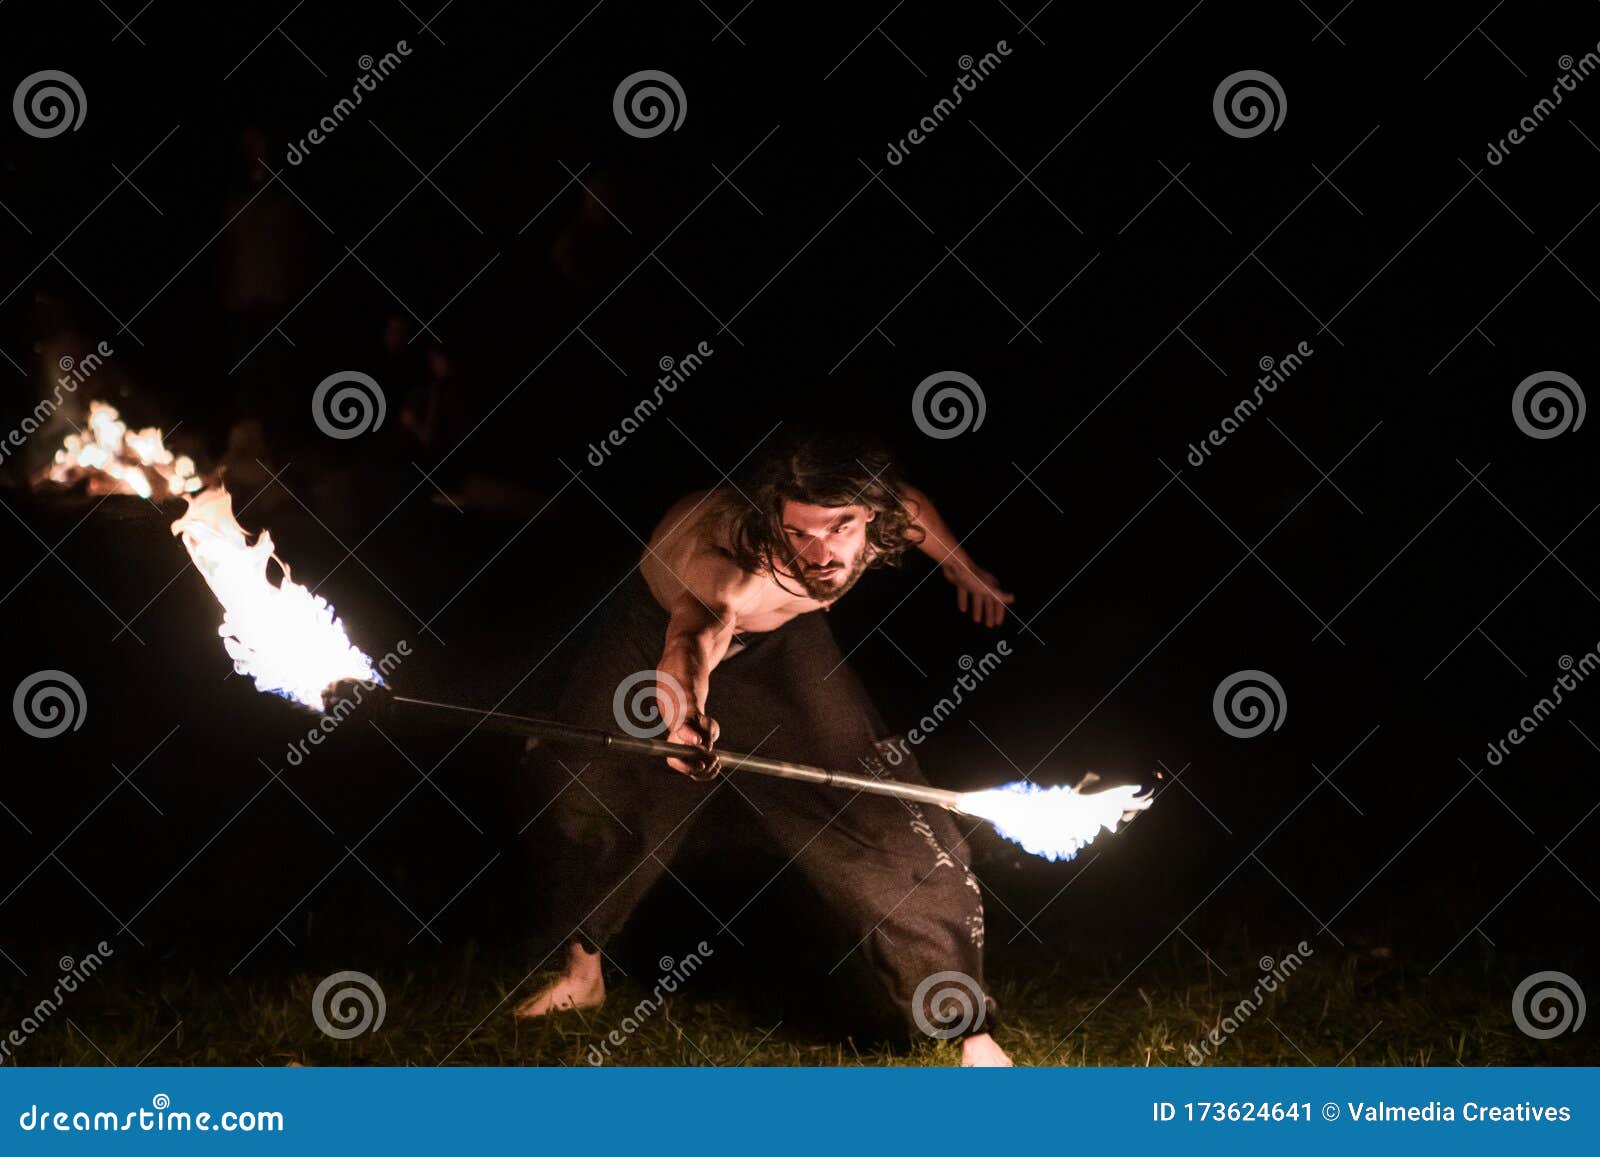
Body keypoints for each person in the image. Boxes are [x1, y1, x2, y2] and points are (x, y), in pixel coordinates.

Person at [516, 433, 1016, 1065]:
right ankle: (582, 976)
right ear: (772, 517)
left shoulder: (883, 504)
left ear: (870, 516)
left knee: (877, 809)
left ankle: (971, 1031)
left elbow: (914, 508)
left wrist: (963, 569)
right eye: (799, 533)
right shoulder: (727, 560)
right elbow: (690, 637)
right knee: (601, 799)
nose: (820, 551)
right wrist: (684, 718)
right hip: (657, 638)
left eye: (840, 529)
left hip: (783, 642)